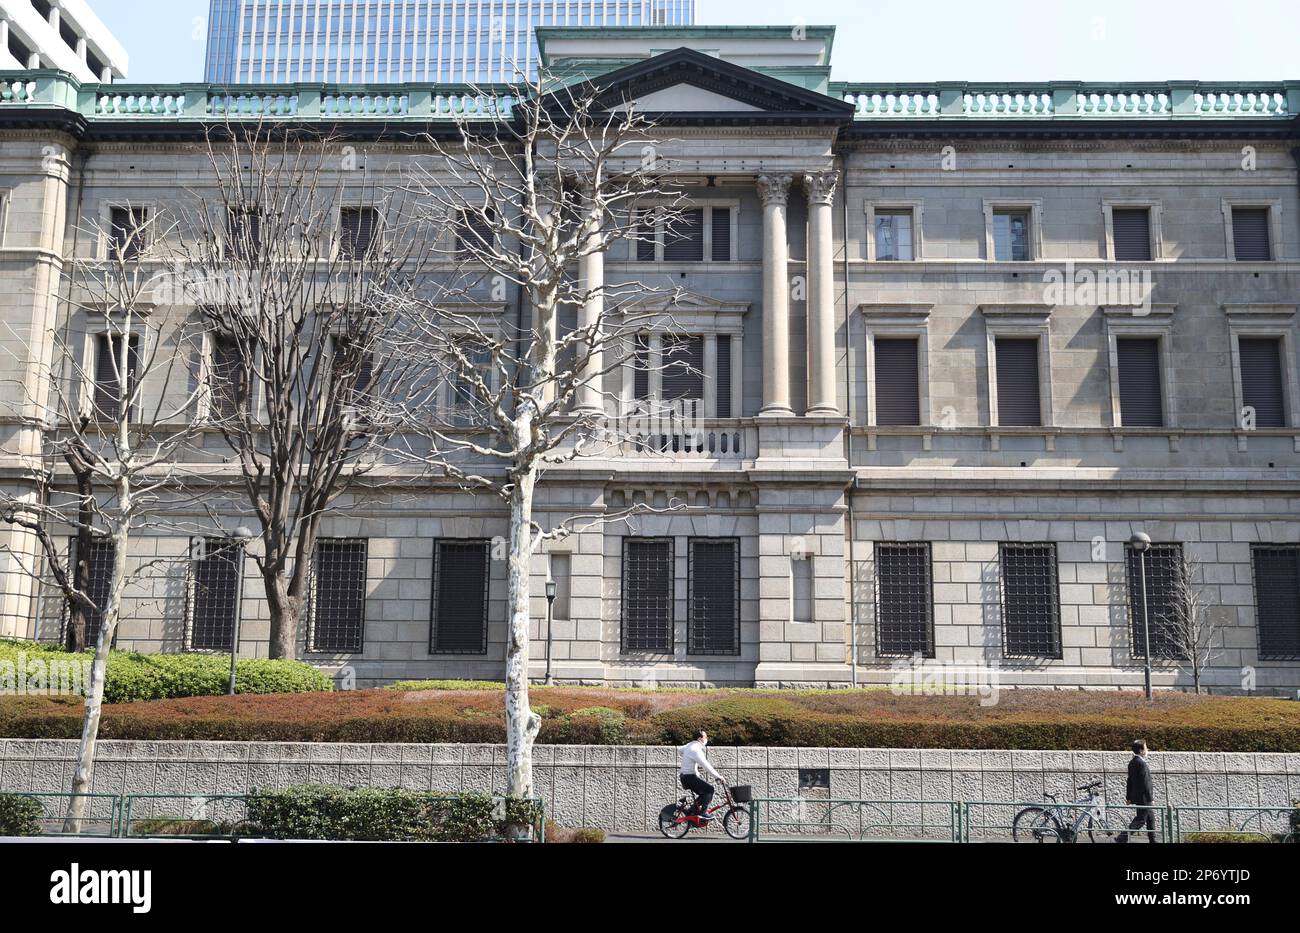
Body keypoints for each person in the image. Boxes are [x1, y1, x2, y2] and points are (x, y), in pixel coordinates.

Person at [678, 729, 725, 822]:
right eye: (705, 737)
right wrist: (718, 776)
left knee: (704, 794)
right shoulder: (695, 750)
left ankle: (692, 810)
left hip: (686, 776)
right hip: (689, 777)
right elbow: (706, 765)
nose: (706, 739)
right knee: (710, 789)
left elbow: (680, 750)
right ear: (700, 739)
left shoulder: (689, 746)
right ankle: (703, 813)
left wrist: (693, 767)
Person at [1117, 739, 1158, 843]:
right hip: (1144, 797)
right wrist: (1150, 798)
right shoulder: (1141, 764)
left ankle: (1153, 840)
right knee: (1141, 820)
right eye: (1145, 748)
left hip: (1139, 796)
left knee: (1150, 818)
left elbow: (1129, 781)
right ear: (1141, 751)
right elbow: (1146, 783)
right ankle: (1122, 837)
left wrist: (1128, 797)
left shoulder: (1132, 762)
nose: (1147, 750)